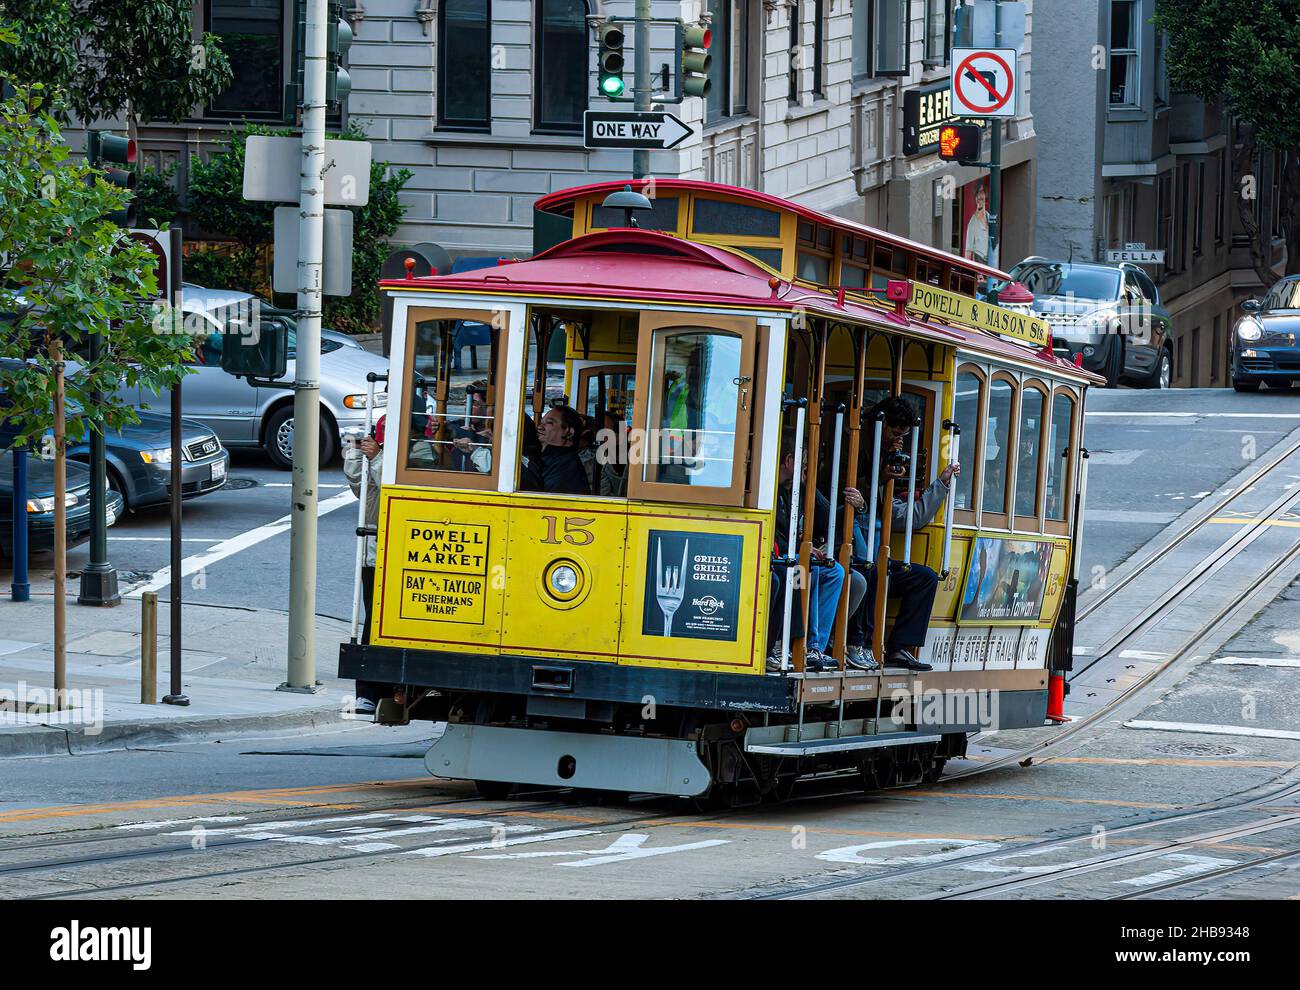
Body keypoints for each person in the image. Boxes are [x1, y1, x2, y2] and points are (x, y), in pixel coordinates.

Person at [844, 396, 960, 673]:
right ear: (881, 425)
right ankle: (862, 644)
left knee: (924, 578)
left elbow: (903, 517)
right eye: (895, 434)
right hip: (851, 543)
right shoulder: (857, 448)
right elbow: (846, 490)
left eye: (903, 436)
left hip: (875, 544)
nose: (897, 441)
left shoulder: (886, 456)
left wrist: (939, 484)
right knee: (872, 572)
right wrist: (880, 478)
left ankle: (899, 647)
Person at [772, 432, 858, 672]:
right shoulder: (768, 488)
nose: (807, 471)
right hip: (778, 561)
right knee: (808, 571)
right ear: (789, 461)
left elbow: (831, 517)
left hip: (793, 559)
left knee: (834, 572)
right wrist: (801, 552)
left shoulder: (795, 488)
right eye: (804, 465)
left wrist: (857, 506)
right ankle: (804, 646)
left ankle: (816, 648)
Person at [343, 414, 386, 715]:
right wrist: (354, 453)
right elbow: (360, 488)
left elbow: (398, 488)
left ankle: (376, 689)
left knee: (380, 623)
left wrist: (379, 457)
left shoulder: (418, 452)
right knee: (371, 621)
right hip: (373, 552)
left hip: (393, 551)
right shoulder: (377, 456)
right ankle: (366, 692)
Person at [524, 404, 590, 495]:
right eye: (541, 422)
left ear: (569, 433)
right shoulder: (547, 457)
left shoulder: (566, 466)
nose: (539, 427)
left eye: (549, 423)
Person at [964, 182, 990, 265]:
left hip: (991, 261)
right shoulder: (973, 223)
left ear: (985, 195)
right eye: (978, 193)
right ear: (975, 198)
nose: (980, 196)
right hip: (979, 260)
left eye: (982, 192)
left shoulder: (989, 216)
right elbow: (968, 250)